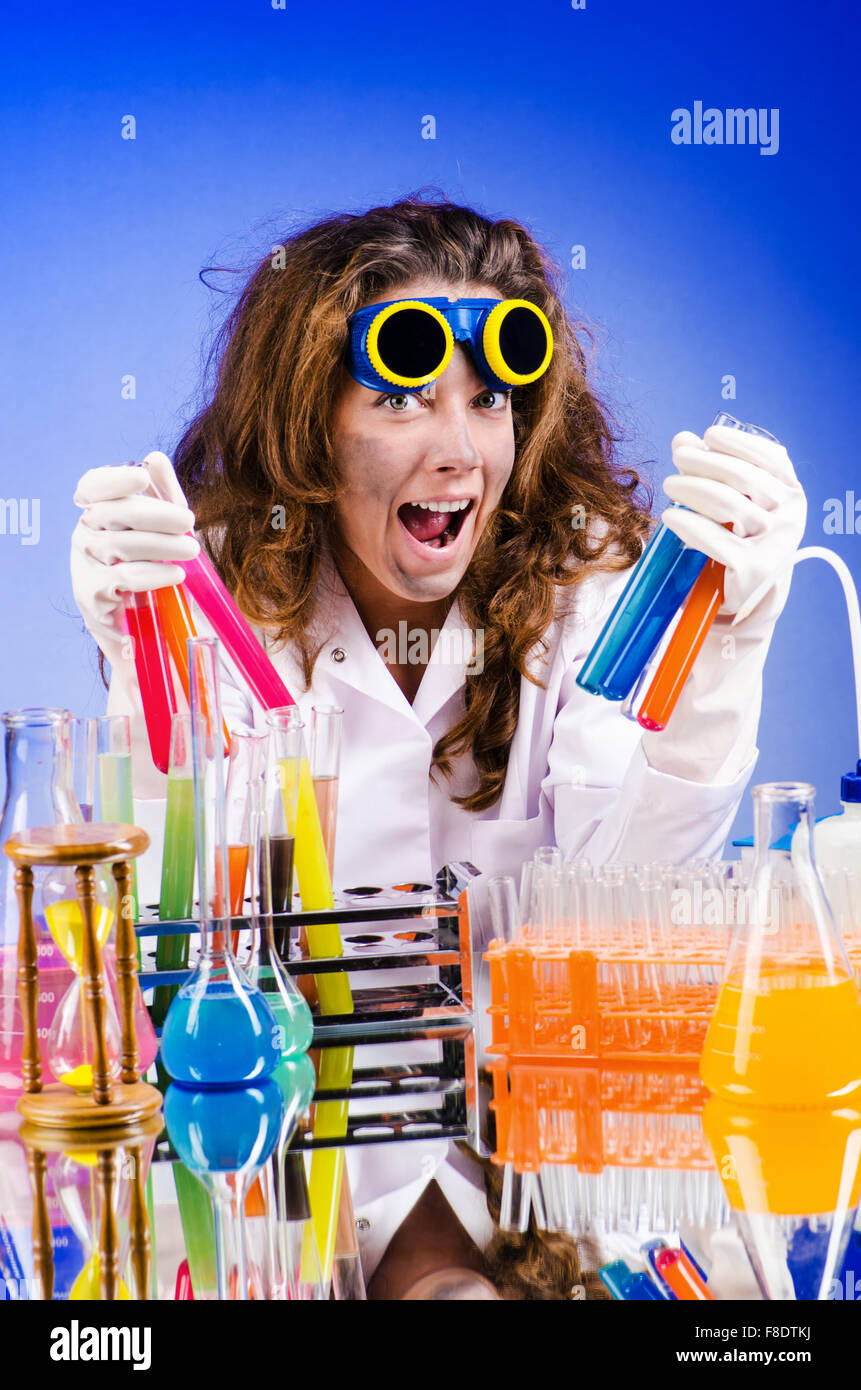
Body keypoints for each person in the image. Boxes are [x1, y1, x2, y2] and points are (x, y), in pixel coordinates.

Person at [69, 192, 806, 1295]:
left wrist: (723, 660)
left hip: (544, 1180)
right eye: (403, 396)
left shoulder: (588, 586)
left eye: (491, 397)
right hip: (276, 1190)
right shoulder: (214, 590)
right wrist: (139, 661)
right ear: (307, 421)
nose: (461, 450)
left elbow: (619, 916)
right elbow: (185, 947)